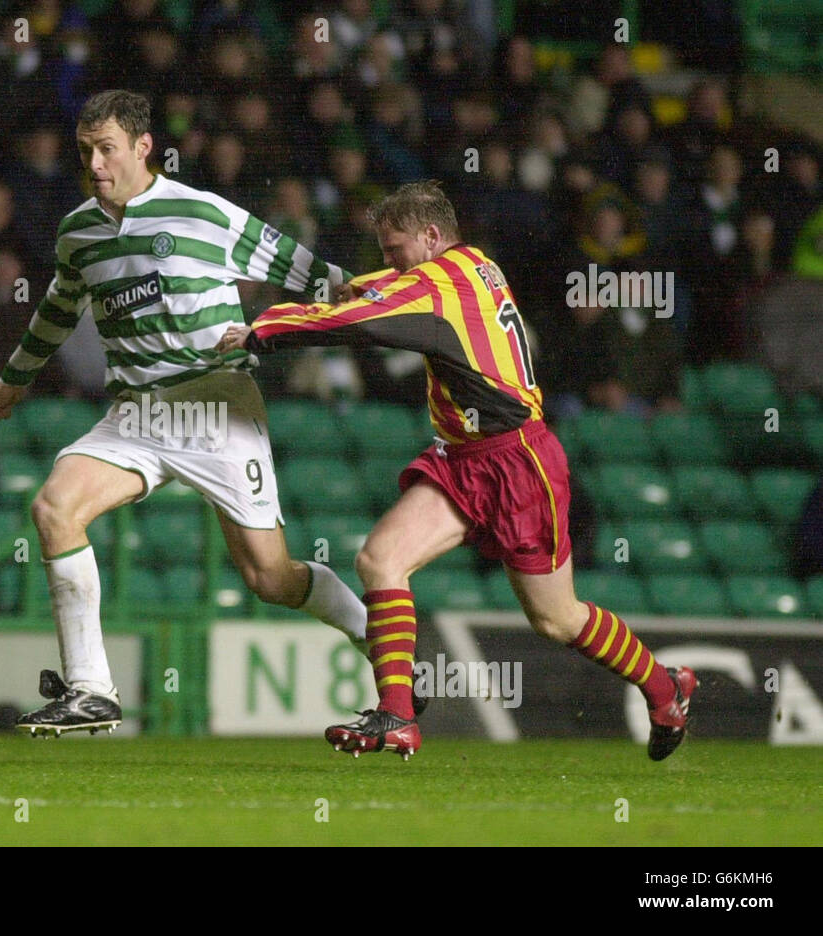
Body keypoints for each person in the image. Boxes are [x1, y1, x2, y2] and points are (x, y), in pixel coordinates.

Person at [0, 89, 417, 735]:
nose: (95, 164)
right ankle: (91, 690)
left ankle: (379, 647)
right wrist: (14, 380)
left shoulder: (201, 212)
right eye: (85, 151)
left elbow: (305, 269)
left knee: (270, 577)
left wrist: (391, 302)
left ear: (143, 147)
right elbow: (58, 309)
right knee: (54, 508)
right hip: (136, 415)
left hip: (216, 404)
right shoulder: (78, 231)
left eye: (107, 149)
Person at [216, 180, 697, 762]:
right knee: (380, 559)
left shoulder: (436, 286)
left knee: (557, 618)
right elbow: (391, 289)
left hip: (518, 462)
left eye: (395, 250)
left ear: (430, 236)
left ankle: (665, 688)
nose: (391, 261)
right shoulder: (470, 265)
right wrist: (358, 283)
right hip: (464, 457)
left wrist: (264, 331)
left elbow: (365, 321)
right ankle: (397, 715)